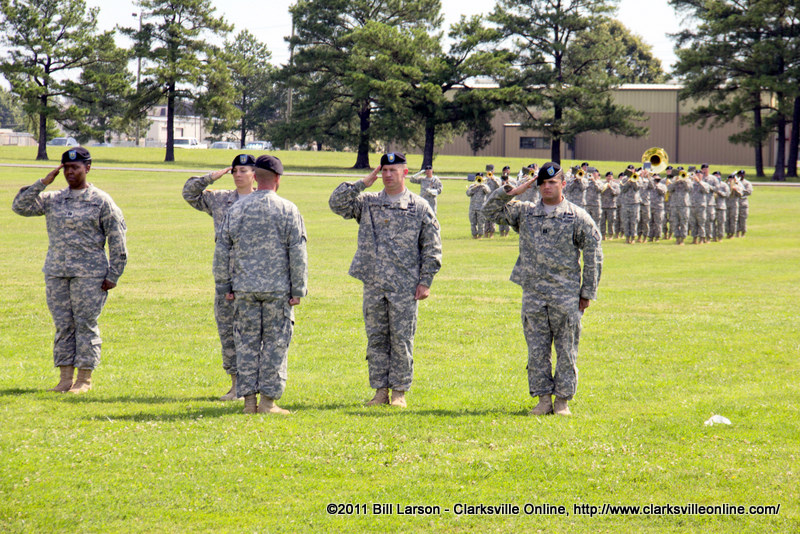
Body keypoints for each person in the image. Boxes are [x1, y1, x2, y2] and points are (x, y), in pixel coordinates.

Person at [482, 162, 602, 416]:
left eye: (552, 182)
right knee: (537, 351)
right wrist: (513, 190)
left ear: (563, 185)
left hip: (565, 295)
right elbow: (489, 210)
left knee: (566, 350)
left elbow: (594, 254)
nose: (547, 187)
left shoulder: (576, 216)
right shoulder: (525, 213)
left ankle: (562, 402)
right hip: (534, 295)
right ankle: (543, 399)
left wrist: (587, 292)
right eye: (542, 183)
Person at [329, 152, 442, 408]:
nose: (388, 175)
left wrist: (426, 281)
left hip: (405, 285)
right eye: (384, 170)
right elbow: (336, 204)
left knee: (401, 339)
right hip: (374, 283)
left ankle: (400, 391)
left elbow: (432, 246)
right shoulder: (368, 202)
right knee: (376, 339)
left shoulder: (419, 205)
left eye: (393, 170)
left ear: (405, 172)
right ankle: (380, 391)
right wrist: (361, 184)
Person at [12, 147, 127, 394]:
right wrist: (43, 182)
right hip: (56, 272)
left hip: (90, 275)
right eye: (66, 168)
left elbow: (117, 239)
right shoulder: (53, 199)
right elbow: (19, 207)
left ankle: (84, 379)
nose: (70, 172)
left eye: (76, 167)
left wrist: (113, 275)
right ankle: (65, 379)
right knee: (64, 325)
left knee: (85, 324)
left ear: (88, 167)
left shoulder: (101, 200)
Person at [214, 155, 307, 415]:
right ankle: (267, 403)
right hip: (278, 291)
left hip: (244, 289)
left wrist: (225, 286)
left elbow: (222, 251)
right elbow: (298, 253)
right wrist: (298, 290)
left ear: (255, 176)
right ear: (278, 179)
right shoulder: (288, 209)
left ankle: (248, 403)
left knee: (246, 345)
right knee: (275, 344)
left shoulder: (237, 209)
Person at [183, 154, 256, 400]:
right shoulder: (220, 199)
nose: (237, 175)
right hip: (226, 277)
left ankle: (254, 385)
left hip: (256, 276)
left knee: (254, 332)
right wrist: (211, 177)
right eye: (234, 170)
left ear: (254, 174)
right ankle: (236, 385)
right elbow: (189, 193)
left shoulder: (263, 200)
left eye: (243, 170)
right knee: (227, 331)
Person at [667, 169, 692, 245]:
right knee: (675, 223)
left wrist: (684, 181)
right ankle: (677, 238)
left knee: (683, 222)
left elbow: (690, 189)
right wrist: (675, 182)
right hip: (674, 205)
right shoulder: (674, 180)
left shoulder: (688, 181)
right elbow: (669, 189)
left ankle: (682, 239)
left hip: (684, 205)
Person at [619, 166, 641, 244]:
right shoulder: (624, 179)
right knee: (626, 221)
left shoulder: (638, 177)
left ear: (634, 170)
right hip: (625, 203)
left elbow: (637, 188)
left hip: (635, 203)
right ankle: (627, 237)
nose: (631, 171)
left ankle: (633, 237)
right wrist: (628, 183)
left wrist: (633, 181)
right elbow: (622, 190)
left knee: (634, 221)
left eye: (632, 169)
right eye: (629, 170)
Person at [466, 173, 491, 239]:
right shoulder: (472, 186)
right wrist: (474, 187)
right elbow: (468, 193)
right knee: (473, 223)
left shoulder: (485, 186)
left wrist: (482, 185)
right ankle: (474, 235)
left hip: (481, 207)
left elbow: (488, 191)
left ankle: (480, 235)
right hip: (472, 208)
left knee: (481, 223)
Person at [600, 172, 620, 240]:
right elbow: (599, 191)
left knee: (611, 221)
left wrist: (610, 187)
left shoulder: (615, 185)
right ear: (606, 177)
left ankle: (611, 235)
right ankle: (603, 235)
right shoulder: (602, 184)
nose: (609, 177)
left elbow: (617, 193)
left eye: (610, 176)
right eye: (608, 176)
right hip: (603, 205)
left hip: (611, 206)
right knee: (602, 222)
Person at [737, 170, 753, 237]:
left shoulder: (747, 183)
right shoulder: (736, 182)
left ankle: (743, 232)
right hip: (736, 202)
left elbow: (749, 192)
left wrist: (740, 190)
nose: (741, 175)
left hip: (743, 202)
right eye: (740, 174)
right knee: (735, 219)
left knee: (743, 218)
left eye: (742, 174)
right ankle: (737, 232)